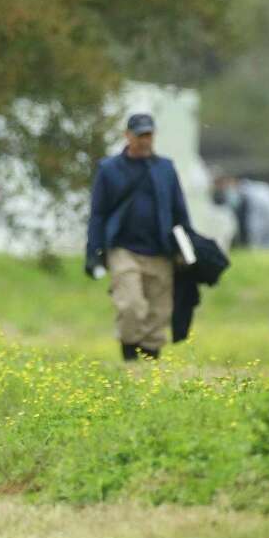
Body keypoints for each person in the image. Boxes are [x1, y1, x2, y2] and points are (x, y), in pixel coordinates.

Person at [85, 113, 191, 361]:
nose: (145, 140)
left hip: (160, 250)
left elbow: (179, 212)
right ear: (127, 136)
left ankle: (149, 370)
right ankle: (130, 359)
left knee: (159, 312)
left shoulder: (165, 168)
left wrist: (187, 248)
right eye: (140, 135)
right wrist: (93, 252)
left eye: (149, 135)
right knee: (131, 305)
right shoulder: (108, 169)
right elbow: (98, 214)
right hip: (123, 250)